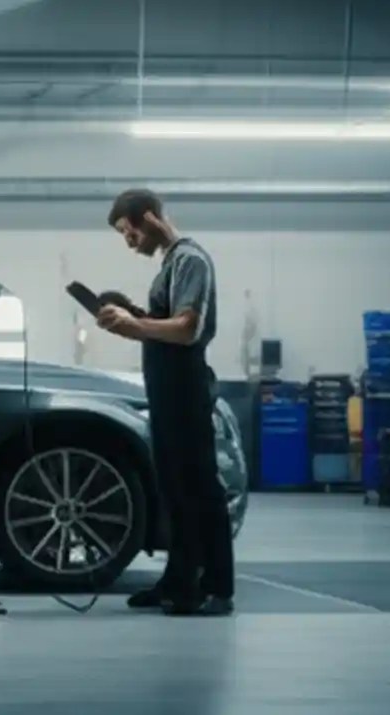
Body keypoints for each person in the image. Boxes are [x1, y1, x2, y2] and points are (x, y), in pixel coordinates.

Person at [96, 188, 235, 617]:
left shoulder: (190, 260)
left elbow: (187, 328)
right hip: (166, 389)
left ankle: (216, 588)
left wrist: (135, 325)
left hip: (185, 388)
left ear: (150, 218)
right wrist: (131, 313)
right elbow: (167, 322)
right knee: (174, 487)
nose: (129, 242)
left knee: (199, 485)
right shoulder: (169, 266)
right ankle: (177, 581)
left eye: (130, 232)